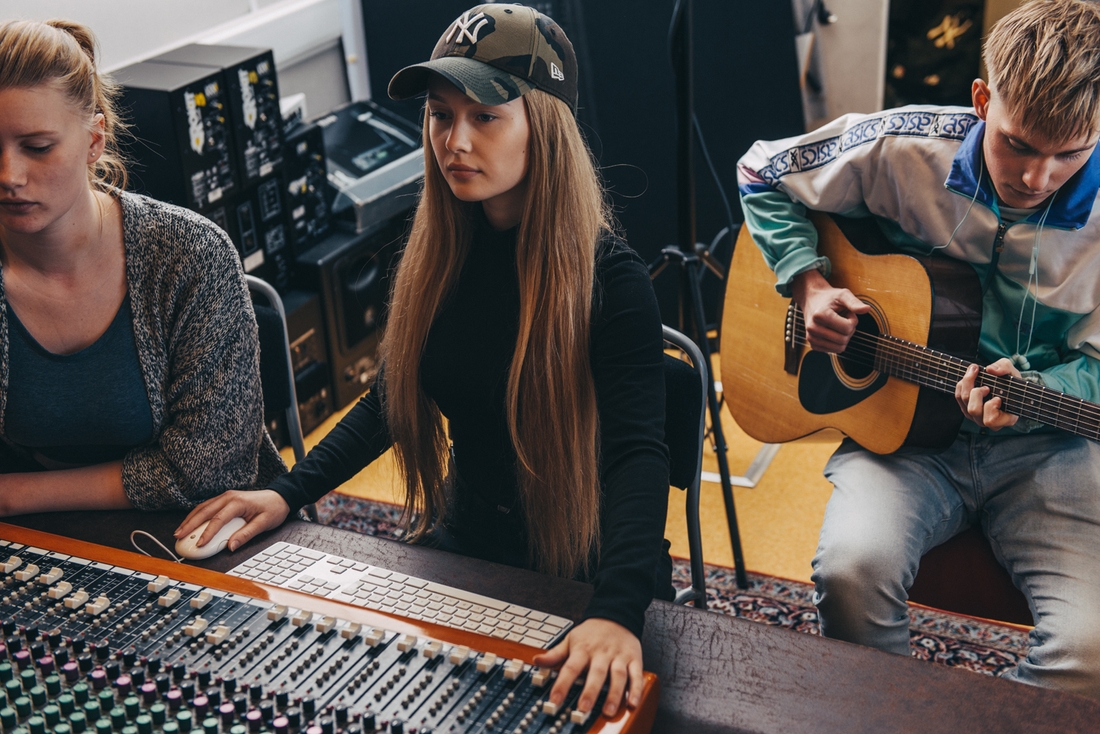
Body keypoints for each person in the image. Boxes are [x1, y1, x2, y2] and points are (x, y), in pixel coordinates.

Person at [178, 3, 672, 719]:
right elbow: (394, 399)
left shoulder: (612, 282)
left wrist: (619, 610)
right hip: (468, 548)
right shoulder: (443, 254)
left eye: (484, 117)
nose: (454, 140)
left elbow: (638, 455)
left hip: (586, 574)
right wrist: (287, 490)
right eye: (441, 115)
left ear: (547, 127)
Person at [737, 0, 1100, 698]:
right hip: (900, 435)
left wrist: (1037, 394)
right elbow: (761, 172)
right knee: (849, 572)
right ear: (981, 100)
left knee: (1090, 652)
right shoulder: (902, 144)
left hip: (1049, 444)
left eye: (1070, 155)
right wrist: (808, 283)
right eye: (1018, 144)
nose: (1036, 178)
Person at [0, 20, 284, 513]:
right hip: (32, 537)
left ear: (94, 140)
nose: (10, 176)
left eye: (37, 147)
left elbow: (208, 468)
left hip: (196, 529)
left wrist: (13, 495)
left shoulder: (191, 255)